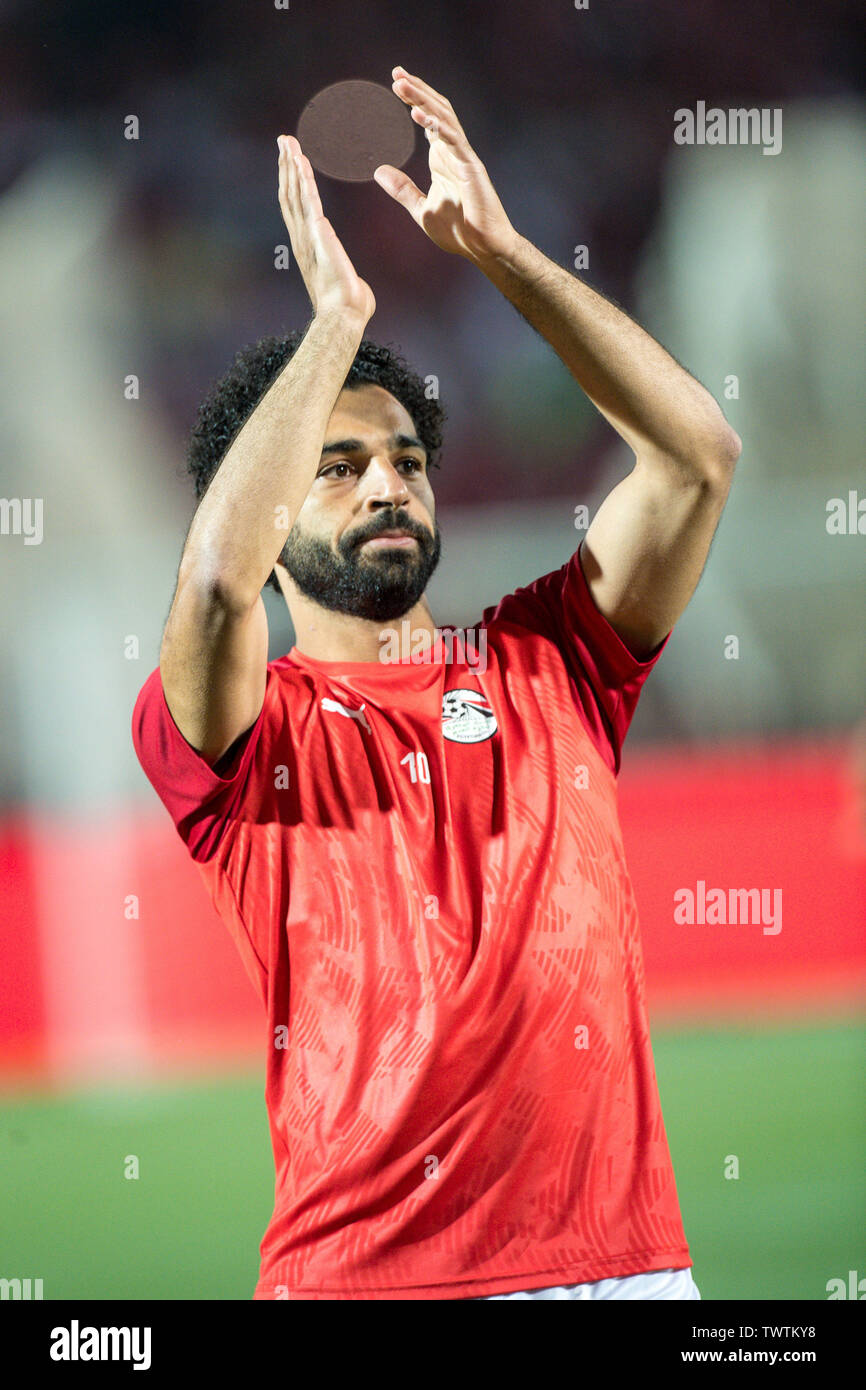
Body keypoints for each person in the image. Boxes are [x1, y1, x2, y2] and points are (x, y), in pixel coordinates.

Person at [131, 65, 740, 1300]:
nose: (384, 485)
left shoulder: (551, 663)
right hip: (366, 1281)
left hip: (624, 1276)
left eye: (405, 459)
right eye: (337, 463)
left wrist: (500, 252)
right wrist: (334, 325)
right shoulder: (244, 739)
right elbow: (211, 592)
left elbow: (695, 459)